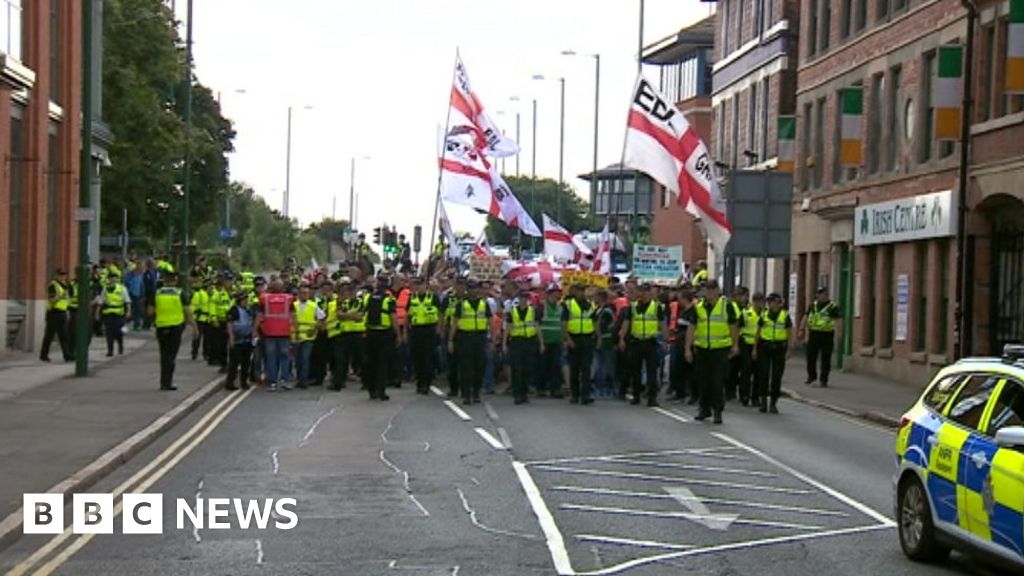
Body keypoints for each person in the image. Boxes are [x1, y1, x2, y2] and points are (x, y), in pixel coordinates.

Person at [684, 280, 739, 424]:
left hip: (720, 349)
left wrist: (735, 345)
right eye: (706, 290)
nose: (708, 293)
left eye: (710, 290)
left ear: (717, 290)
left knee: (717, 381)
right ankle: (704, 409)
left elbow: (733, 327)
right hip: (702, 349)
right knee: (703, 381)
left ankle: (717, 411)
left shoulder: (726, 306)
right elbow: (691, 328)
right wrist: (687, 349)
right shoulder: (699, 307)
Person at [619, 283, 668, 407]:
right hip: (636, 341)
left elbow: (662, 325)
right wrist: (622, 338)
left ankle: (652, 398)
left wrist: (666, 341)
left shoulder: (656, 307)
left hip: (651, 342)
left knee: (652, 371)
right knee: (635, 371)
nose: (644, 294)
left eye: (646, 292)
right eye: (642, 291)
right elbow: (626, 323)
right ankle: (636, 395)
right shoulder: (633, 306)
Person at [148, 271, 195, 390]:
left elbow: (150, 311)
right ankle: (167, 383)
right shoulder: (180, 293)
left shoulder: (156, 293)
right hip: (176, 327)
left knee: (164, 355)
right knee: (171, 356)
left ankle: (164, 382)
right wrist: (194, 326)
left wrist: (155, 319)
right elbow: (188, 312)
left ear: (164, 281)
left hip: (161, 326)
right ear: (175, 281)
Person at [450, 280, 490, 405]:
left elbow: (489, 321)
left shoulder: (484, 304)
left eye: (475, 288)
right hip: (465, 337)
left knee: (479, 366)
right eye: (471, 288)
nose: (473, 291)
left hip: (480, 337)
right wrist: (450, 340)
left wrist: (491, 338)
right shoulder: (461, 304)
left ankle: (476, 392)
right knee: (466, 367)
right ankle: (466, 394)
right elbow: (455, 323)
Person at [504, 288, 543, 404]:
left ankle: (524, 394)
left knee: (527, 369)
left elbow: (537, 327)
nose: (524, 300)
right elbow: (508, 328)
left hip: (529, 342)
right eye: (522, 298)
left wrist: (541, 343)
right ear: (518, 299)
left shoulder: (533, 311)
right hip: (516, 342)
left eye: (526, 298)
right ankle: (517, 394)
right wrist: (504, 343)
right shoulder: (512, 311)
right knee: (517, 369)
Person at [757, 293, 794, 413]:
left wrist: (789, 348)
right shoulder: (764, 314)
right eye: (770, 302)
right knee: (763, 374)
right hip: (765, 346)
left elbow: (789, 332)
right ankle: (763, 401)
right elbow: (758, 331)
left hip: (779, 347)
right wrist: (754, 348)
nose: (772, 304)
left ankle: (773, 402)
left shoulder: (785, 315)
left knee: (777, 376)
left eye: (774, 302)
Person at [364, 276, 400, 400]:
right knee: (382, 364)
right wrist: (398, 334)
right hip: (384, 333)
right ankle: (381, 391)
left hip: (370, 332)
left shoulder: (368, 297)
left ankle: (372, 390)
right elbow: (393, 317)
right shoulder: (389, 299)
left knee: (371, 363)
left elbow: (364, 314)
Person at [255, 280, 294, 391]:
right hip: (284, 333)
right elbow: (293, 316)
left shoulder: (264, 299)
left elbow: (259, 315)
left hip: (269, 333)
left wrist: (254, 330)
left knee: (271, 359)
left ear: (271, 288)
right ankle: (285, 381)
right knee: (285, 358)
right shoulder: (289, 299)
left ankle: (272, 383)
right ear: (282, 288)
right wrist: (295, 331)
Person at [799, 286, 842, 387]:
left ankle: (824, 379)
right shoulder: (812, 305)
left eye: (823, 294)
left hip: (827, 334)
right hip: (814, 334)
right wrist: (801, 329)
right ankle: (811, 376)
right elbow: (806, 316)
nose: (821, 296)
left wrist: (839, 333)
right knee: (810, 357)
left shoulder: (832, 307)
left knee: (825, 358)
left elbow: (839, 320)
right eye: (819, 294)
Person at [562, 283, 596, 405]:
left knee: (586, 368)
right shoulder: (569, 304)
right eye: (579, 291)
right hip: (574, 338)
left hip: (587, 339)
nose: (581, 293)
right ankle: (575, 395)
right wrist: (568, 339)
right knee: (574, 368)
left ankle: (585, 395)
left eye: (583, 290)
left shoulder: (591, 305)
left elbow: (594, 321)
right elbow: (564, 323)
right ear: (575, 292)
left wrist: (596, 336)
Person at [406, 277, 441, 394]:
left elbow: (440, 315)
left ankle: (426, 382)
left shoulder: (433, 298)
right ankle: (419, 382)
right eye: (417, 285)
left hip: (429, 330)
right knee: (417, 358)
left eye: (421, 285)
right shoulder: (412, 298)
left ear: (426, 286)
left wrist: (438, 329)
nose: (419, 287)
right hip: (416, 330)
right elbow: (408, 316)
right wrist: (406, 332)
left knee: (427, 358)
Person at [292, 284, 325, 389]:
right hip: (296, 336)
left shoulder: (313, 305)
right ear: (298, 294)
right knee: (298, 361)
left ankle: (303, 381)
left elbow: (321, 318)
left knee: (305, 359)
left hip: (308, 337)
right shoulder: (293, 305)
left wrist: (315, 328)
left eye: (306, 293)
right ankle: (299, 379)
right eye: (302, 293)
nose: (304, 295)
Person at [225, 290, 256, 391]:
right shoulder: (234, 310)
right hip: (237, 340)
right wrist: (231, 337)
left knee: (246, 363)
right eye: (244, 299)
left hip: (247, 340)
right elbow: (229, 324)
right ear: (239, 300)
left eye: (246, 299)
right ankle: (230, 383)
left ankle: (244, 382)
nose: (246, 301)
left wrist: (253, 336)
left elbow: (251, 322)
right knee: (234, 363)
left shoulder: (248, 310)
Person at [95, 270, 131, 357]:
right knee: (109, 333)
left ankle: (120, 345)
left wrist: (129, 311)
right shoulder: (105, 289)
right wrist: (97, 312)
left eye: (114, 278)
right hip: (108, 314)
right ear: (109, 279)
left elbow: (127, 301)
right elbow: (101, 301)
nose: (113, 280)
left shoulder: (122, 288)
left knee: (118, 331)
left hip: (119, 313)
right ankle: (110, 350)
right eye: (111, 278)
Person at [538, 285, 565, 398]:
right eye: (556, 292)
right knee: (543, 366)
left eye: (559, 292)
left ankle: (555, 389)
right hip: (545, 341)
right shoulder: (541, 307)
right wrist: (540, 342)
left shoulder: (561, 307)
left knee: (556, 366)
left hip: (557, 341)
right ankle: (541, 388)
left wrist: (564, 340)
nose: (558, 295)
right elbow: (537, 325)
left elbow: (563, 324)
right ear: (549, 294)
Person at [40, 268, 73, 362]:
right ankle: (44, 355)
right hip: (53, 313)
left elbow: (70, 297)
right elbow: (52, 300)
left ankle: (67, 355)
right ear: (56, 275)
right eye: (61, 275)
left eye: (64, 275)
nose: (63, 277)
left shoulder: (66, 285)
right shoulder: (53, 285)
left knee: (64, 335)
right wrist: (60, 297)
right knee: (49, 335)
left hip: (63, 312)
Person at [593, 290, 617, 399]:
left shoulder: (607, 311)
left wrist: (599, 336)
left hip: (606, 341)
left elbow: (603, 326)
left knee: (606, 365)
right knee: (599, 365)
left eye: (595, 296)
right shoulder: (598, 309)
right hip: (599, 341)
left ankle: (608, 388)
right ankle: (599, 387)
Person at [190, 276, 209, 361]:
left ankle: (201, 353)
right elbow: (193, 307)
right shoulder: (199, 294)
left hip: (206, 318)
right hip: (200, 318)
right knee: (198, 336)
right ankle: (195, 352)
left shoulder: (207, 294)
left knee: (205, 338)